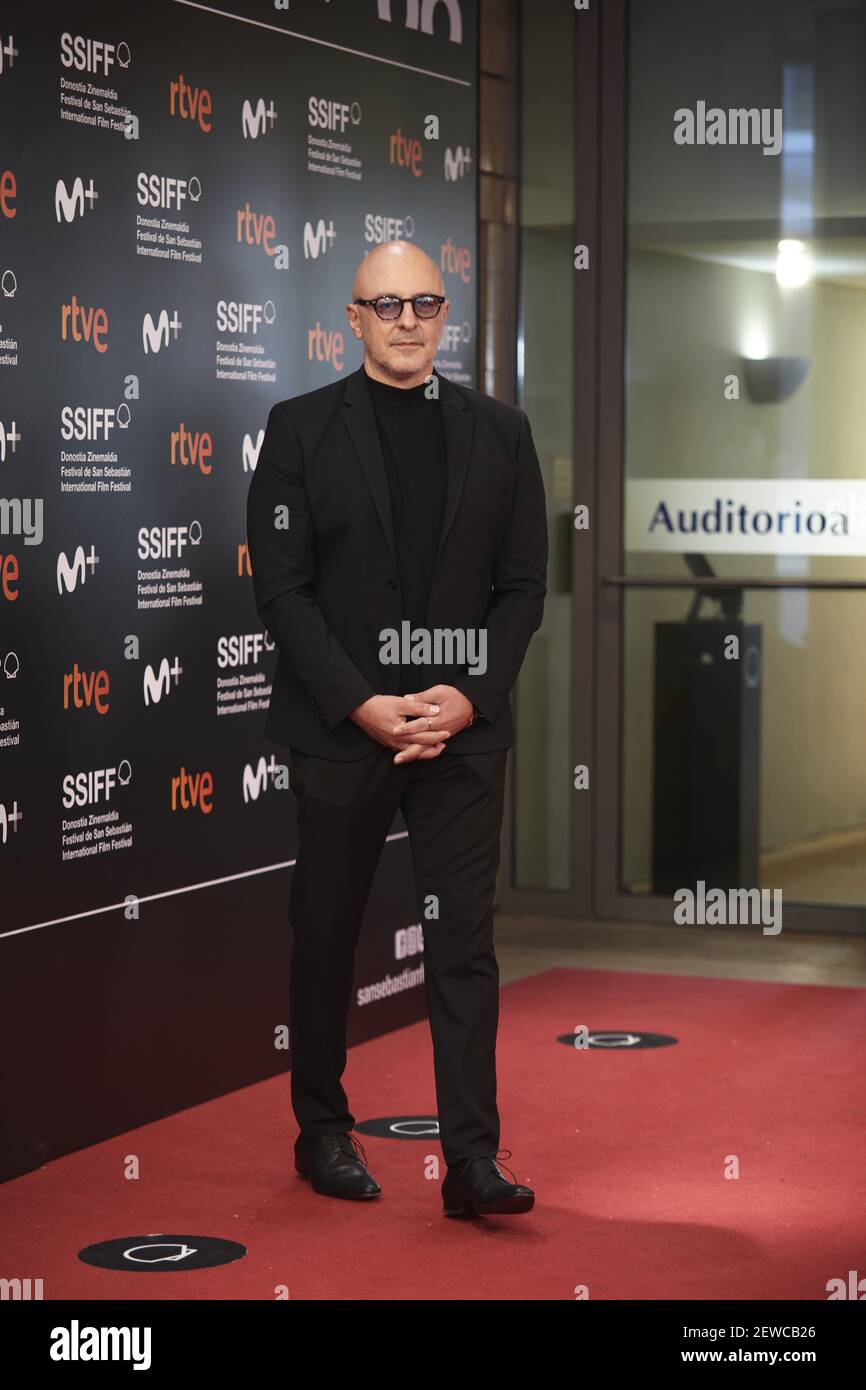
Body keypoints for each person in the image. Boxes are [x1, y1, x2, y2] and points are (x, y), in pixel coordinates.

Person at [245, 240, 547, 1217]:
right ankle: (322, 1129)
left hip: (460, 733)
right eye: (386, 305)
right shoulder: (296, 430)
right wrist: (360, 703)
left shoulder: (501, 432)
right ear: (353, 316)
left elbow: (522, 587)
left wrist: (469, 693)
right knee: (325, 933)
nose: (406, 320)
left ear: (444, 309)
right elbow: (282, 593)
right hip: (345, 730)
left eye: (422, 302)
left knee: (460, 942)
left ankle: (470, 1161)